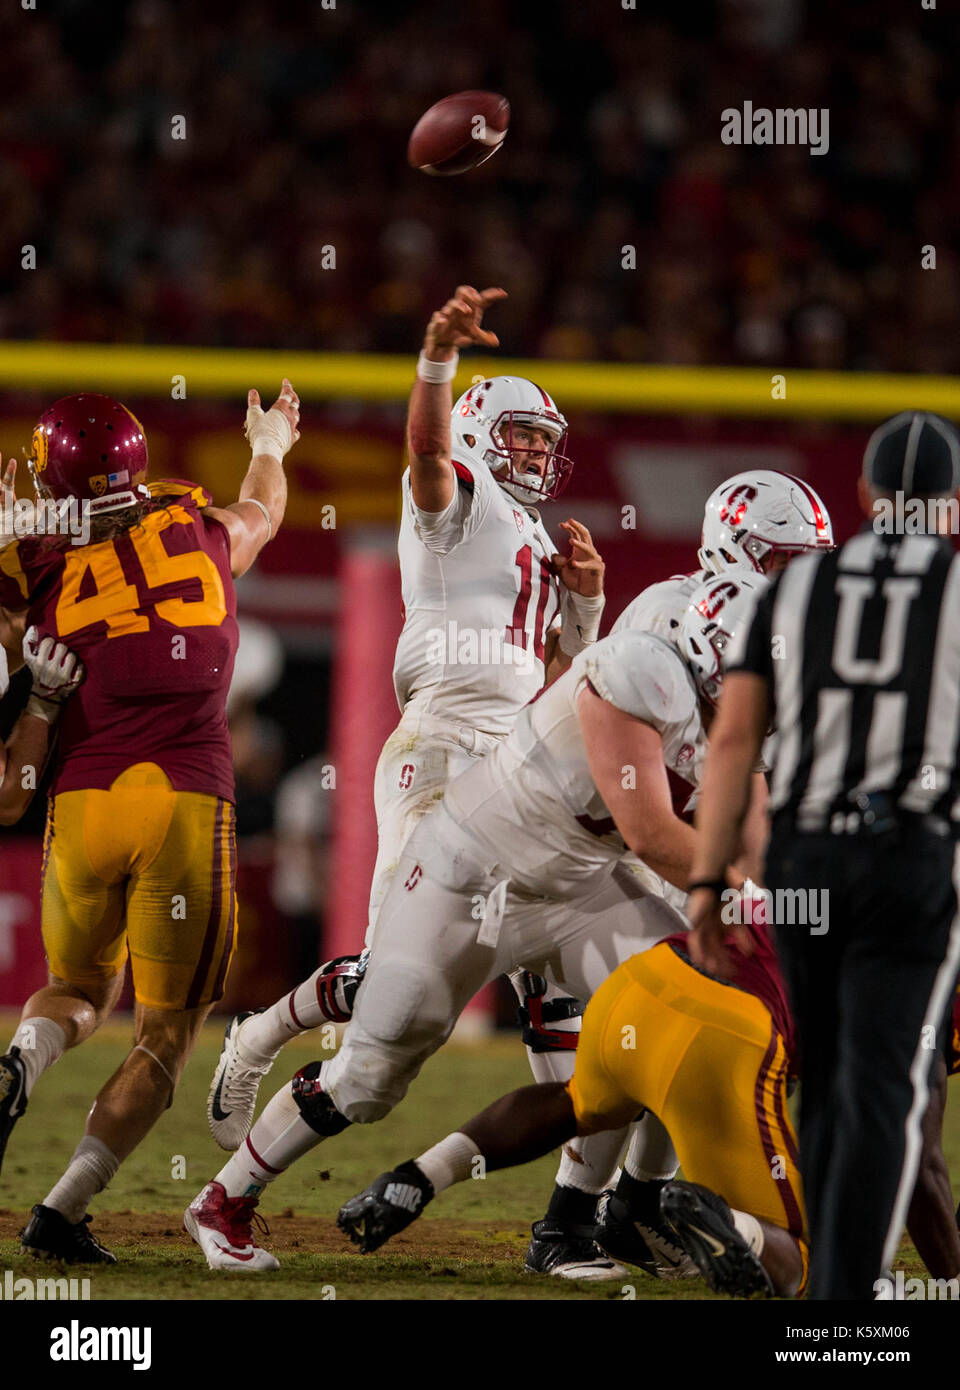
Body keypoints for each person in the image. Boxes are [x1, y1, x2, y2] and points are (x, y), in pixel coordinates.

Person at [205, 285, 625, 1278]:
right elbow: (430, 457)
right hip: (441, 754)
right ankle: (262, 1038)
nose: (536, 453)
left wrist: (590, 603)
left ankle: (569, 1222)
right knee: (401, 1009)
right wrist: (437, 357)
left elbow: (569, 677)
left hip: (518, 770)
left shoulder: (531, 538)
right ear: (483, 431)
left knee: (596, 1016)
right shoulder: (455, 508)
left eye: (543, 439)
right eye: (521, 434)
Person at [184, 572, 768, 1271]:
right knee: (370, 1077)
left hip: (579, 886)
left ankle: (582, 1223)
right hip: (473, 874)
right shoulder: (642, 671)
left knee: (669, 1016)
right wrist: (759, 905)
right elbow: (653, 836)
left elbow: (749, 836)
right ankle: (222, 1199)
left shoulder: (735, 681)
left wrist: (769, 894)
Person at [0, 381, 299, 1263]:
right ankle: (60, 1210)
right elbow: (264, 511)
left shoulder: (39, 564)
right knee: (166, 1032)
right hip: (183, 801)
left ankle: (20, 1061)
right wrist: (272, 440)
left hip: (83, 801)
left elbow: (16, 614)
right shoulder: (201, 529)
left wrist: (13, 532)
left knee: (77, 992)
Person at [687, 410, 960, 1299]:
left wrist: (705, 884)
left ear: (865, 497)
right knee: (887, 1087)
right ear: (950, 507)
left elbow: (731, 747)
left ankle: (830, 1295)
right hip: (912, 855)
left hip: (804, 860)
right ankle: (850, 1302)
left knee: (830, 1077)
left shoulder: (787, 593)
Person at [338, 914, 806, 1300]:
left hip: (638, 986)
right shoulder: (864, 935)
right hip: (727, 1030)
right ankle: (731, 1226)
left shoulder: (797, 878)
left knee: (577, 1102)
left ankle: (419, 1177)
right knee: (808, 1259)